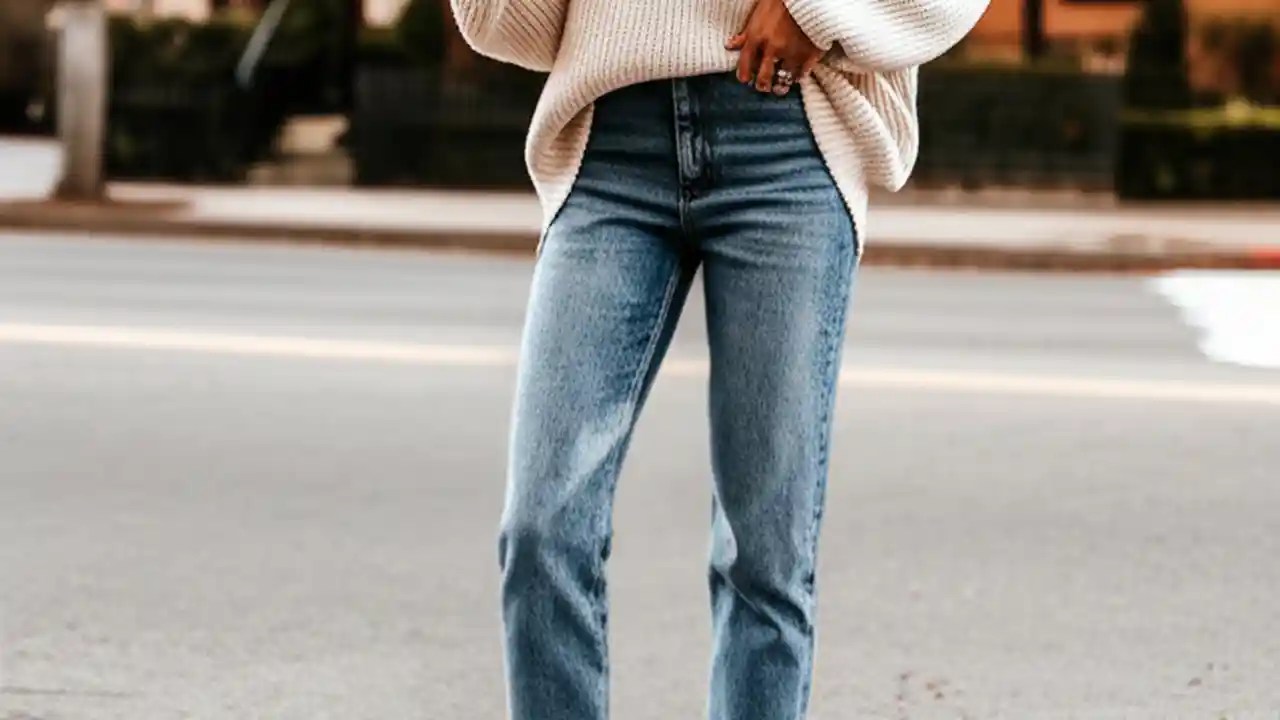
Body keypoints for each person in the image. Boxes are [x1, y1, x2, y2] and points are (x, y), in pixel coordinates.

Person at [449, 0, 989, 717]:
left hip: (785, 143)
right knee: (541, 528)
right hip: (611, 145)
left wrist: (816, 8)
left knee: (764, 557)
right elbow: (504, 22)